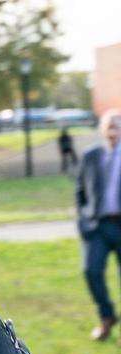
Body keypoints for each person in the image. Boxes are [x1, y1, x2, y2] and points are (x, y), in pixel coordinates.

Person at [76, 109, 121, 341]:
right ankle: (107, 316)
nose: (113, 130)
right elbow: (80, 191)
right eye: (109, 126)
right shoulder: (90, 155)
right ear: (102, 129)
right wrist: (83, 221)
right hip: (98, 226)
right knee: (91, 271)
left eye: (117, 126)